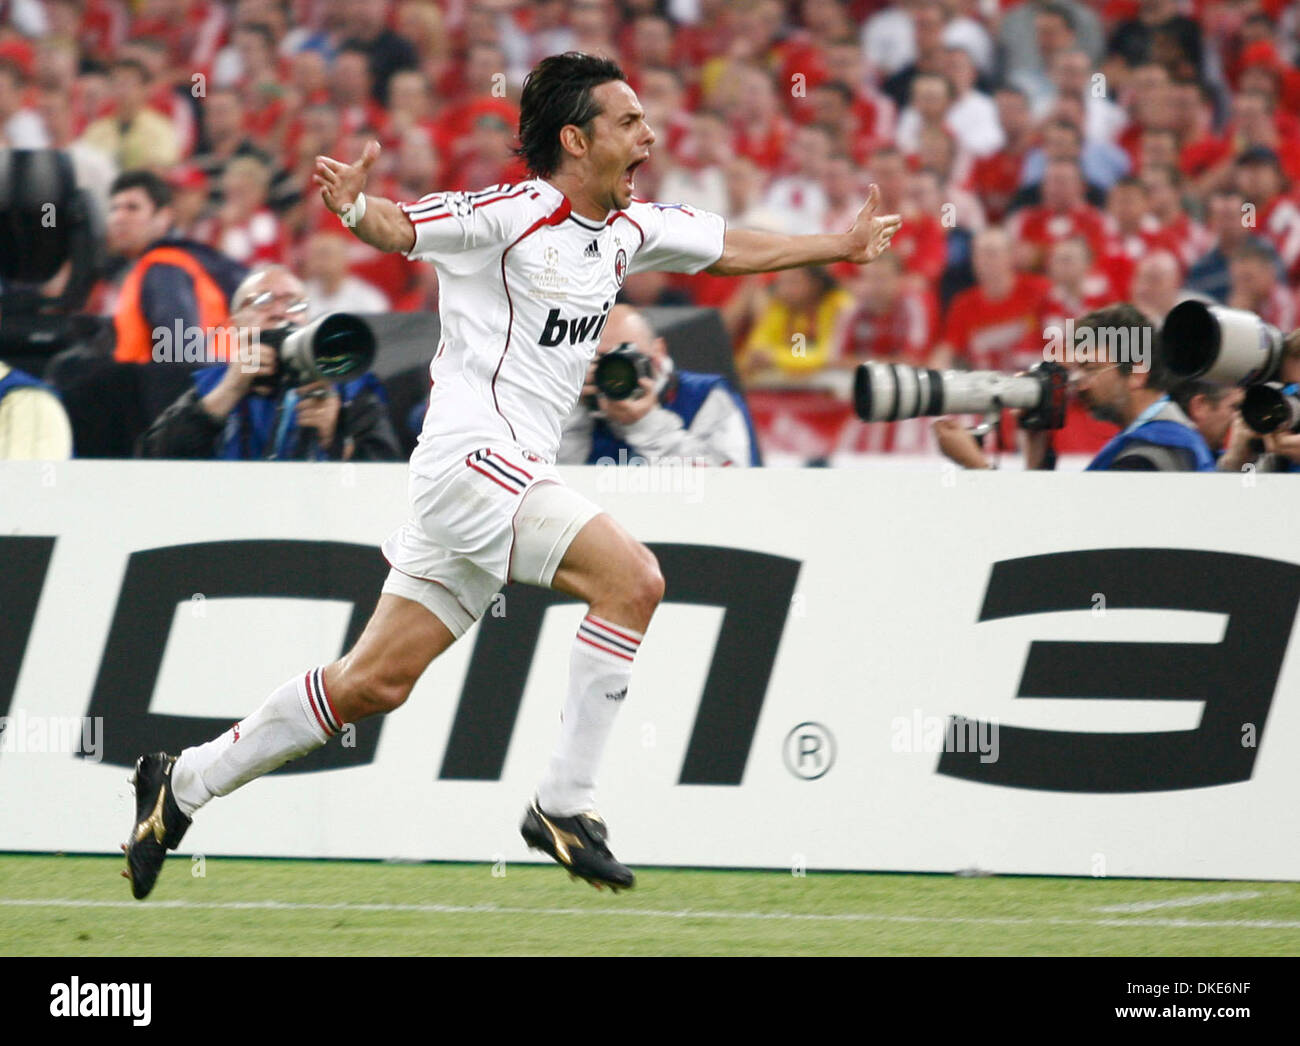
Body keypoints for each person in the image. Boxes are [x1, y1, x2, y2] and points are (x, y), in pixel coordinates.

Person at [121, 52, 901, 898]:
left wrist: (841, 245)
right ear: (576, 138)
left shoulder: (629, 230)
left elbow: (726, 247)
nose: (650, 133)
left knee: (373, 683)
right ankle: (564, 805)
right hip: (469, 461)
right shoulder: (514, 210)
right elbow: (405, 227)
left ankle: (182, 781)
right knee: (634, 581)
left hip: (495, 478)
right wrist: (354, 208)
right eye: (630, 121)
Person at [136, 266, 401, 462]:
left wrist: (336, 437)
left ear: (308, 320)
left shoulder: (346, 388)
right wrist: (229, 390)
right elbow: (151, 462)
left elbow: (388, 475)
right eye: (262, 301)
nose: (278, 312)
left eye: (294, 304)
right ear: (235, 323)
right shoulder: (211, 387)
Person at [934, 304, 1216, 472]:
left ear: (1137, 374)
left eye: (1090, 369)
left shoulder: (1152, 453)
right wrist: (1037, 449)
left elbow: (1069, 544)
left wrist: (976, 465)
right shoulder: (1162, 440)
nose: (1078, 384)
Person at [556, 304, 759, 468]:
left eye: (626, 355)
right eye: (600, 359)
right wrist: (575, 412)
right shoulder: (570, 400)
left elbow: (730, 485)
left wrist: (647, 424)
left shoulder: (704, 396)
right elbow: (549, 485)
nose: (614, 371)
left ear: (658, 351)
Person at [102, 171, 248, 365]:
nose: (119, 217)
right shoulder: (181, 260)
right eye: (114, 208)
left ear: (163, 217)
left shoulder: (165, 268)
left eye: (132, 208)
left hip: (203, 386)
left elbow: (181, 356)